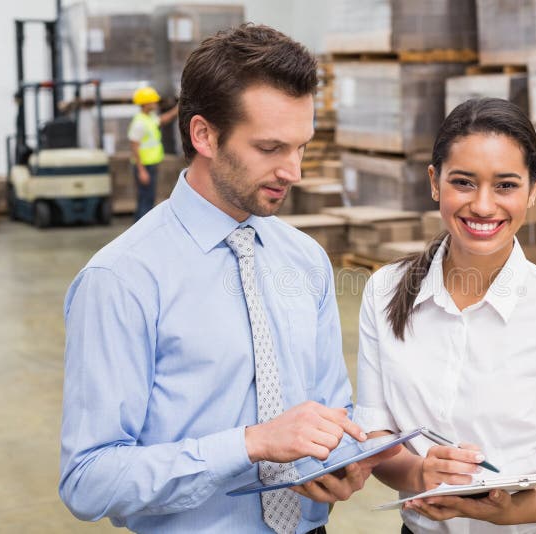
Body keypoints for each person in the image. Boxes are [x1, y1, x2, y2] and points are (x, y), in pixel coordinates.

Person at [60, 24, 395, 533]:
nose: (294, 171)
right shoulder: (121, 279)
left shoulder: (305, 259)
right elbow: (89, 479)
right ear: (204, 135)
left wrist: (343, 462)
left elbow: (332, 407)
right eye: (270, 148)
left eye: (301, 147)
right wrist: (250, 444)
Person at [354, 98, 536, 534]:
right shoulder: (385, 292)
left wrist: (505, 512)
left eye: (506, 185)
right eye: (464, 182)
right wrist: (418, 474)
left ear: (533, 189)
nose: (483, 205)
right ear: (435, 182)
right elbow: (377, 434)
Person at [128, 86, 179, 220]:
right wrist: (141, 171)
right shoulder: (139, 123)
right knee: (145, 201)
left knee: (148, 199)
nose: (156, 103)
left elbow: (163, 120)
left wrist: (178, 109)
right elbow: (134, 147)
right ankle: (141, 231)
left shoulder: (149, 118)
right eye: (153, 101)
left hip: (150, 165)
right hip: (144, 167)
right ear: (146, 104)